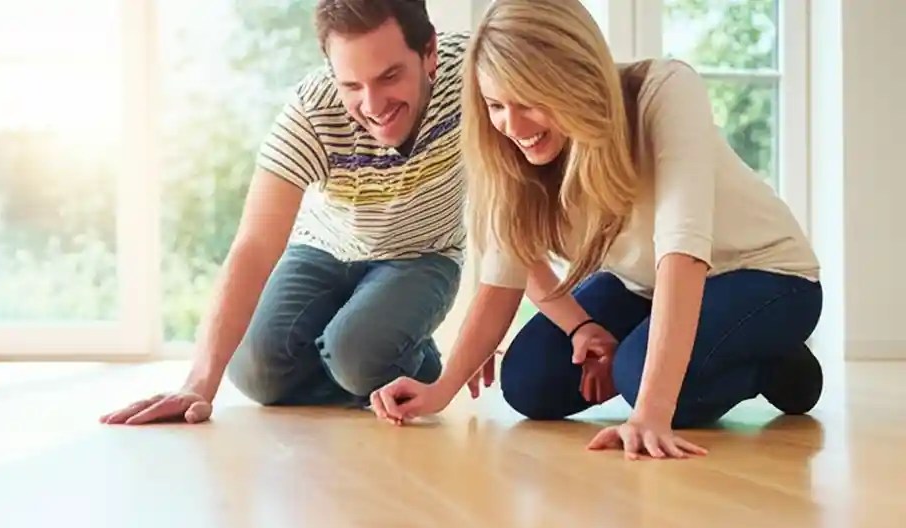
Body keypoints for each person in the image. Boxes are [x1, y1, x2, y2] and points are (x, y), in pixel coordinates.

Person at [369, 0, 823, 460]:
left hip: (768, 276)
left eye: (530, 100)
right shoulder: (513, 155)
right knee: (531, 382)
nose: (514, 125)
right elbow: (502, 280)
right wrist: (440, 389)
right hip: (643, 285)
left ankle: (777, 364)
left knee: (641, 378)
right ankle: (653, 357)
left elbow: (682, 252)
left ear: (573, 78)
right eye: (496, 105)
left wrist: (648, 412)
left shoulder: (663, 90)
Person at [102, 0, 494, 425]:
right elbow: (255, 244)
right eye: (352, 85)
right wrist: (199, 383)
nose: (373, 103)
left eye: (390, 76)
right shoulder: (312, 111)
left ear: (430, 52)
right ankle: (375, 355)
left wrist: (474, 347)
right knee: (254, 371)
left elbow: (519, 190)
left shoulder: (474, 73)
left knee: (356, 354)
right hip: (323, 249)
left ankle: (388, 359)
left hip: (422, 255)